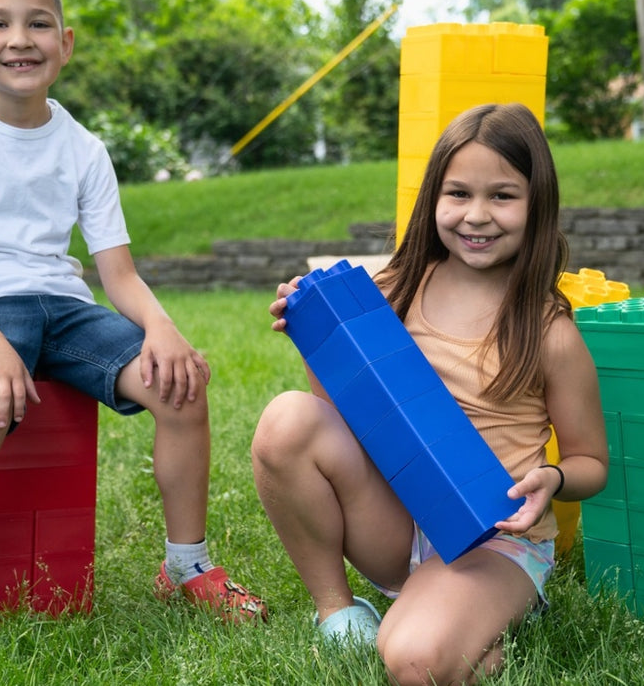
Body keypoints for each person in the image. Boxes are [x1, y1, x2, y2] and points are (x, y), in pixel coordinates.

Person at [0, 0, 265, 668]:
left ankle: (188, 567)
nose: (21, 38)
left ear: (65, 43)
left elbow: (119, 274)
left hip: (64, 308)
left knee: (181, 385)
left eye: (38, 23)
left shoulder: (82, 147)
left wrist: (164, 330)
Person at [251, 102, 608, 685]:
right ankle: (338, 612)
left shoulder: (549, 331)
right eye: (458, 193)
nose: (477, 215)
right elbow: (348, 416)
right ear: (433, 199)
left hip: (494, 542)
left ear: (537, 204)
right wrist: (319, 336)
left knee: (413, 661)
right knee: (288, 419)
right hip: (398, 519)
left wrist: (556, 479)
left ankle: (459, 626)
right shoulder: (393, 289)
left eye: (502, 196)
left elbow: (592, 461)